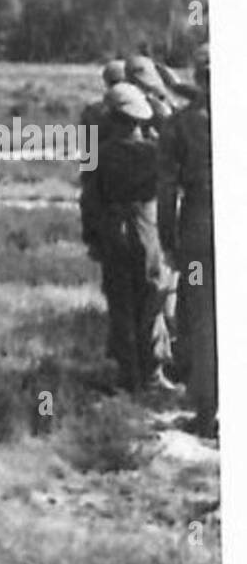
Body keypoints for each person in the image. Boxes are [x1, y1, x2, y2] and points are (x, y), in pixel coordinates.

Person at [80, 83, 173, 394]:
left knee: (121, 303)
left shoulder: (98, 153)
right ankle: (153, 373)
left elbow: (89, 198)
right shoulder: (155, 153)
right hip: (148, 230)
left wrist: (92, 238)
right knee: (153, 299)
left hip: (112, 230)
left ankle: (127, 375)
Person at [158, 44, 216, 436]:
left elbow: (166, 190)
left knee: (200, 314)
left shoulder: (180, 125)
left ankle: (207, 408)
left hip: (198, 232)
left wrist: (168, 240)